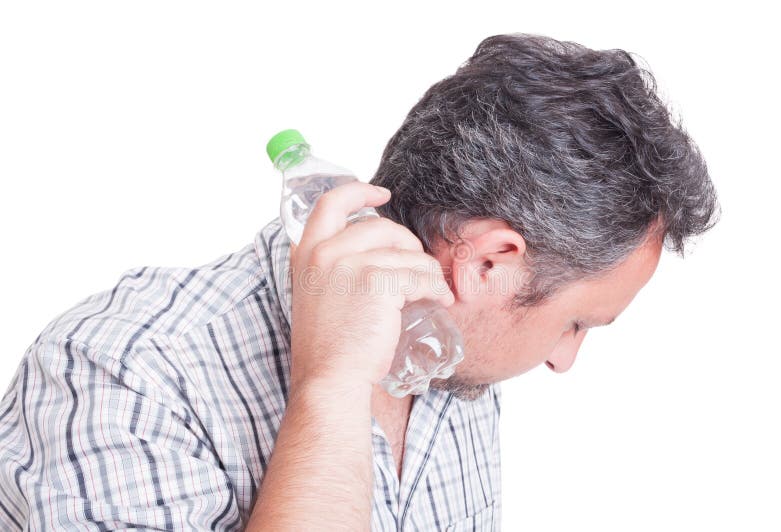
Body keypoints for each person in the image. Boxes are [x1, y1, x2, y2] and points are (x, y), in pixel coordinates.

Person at [0, 33, 718, 531]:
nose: (565, 359)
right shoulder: (122, 371)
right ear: (487, 262)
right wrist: (332, 387)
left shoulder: (458, 364)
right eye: (577, 323)